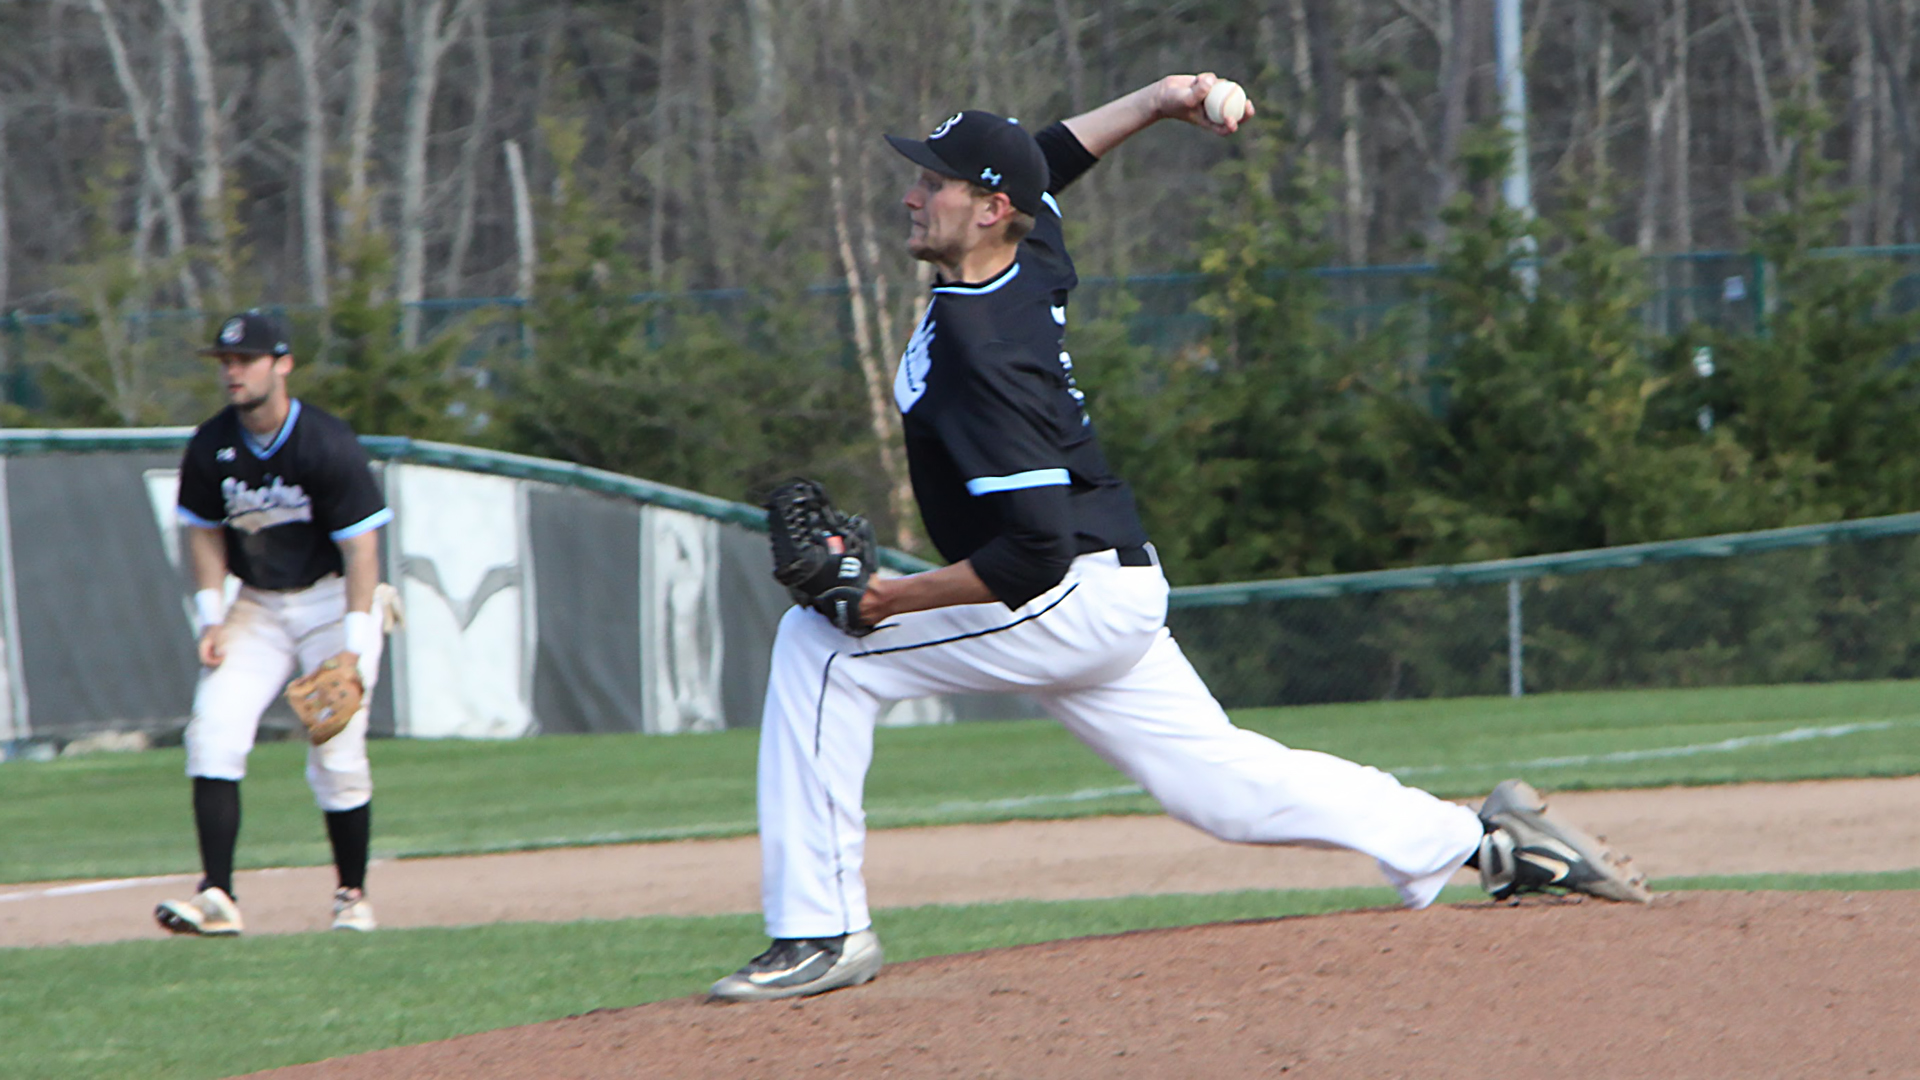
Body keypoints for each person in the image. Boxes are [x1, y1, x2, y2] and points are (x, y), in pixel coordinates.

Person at [708, 75, 1647, 1003]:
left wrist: (880, 600)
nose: (913, 193)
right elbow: (1048, 161)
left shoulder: (984, 353)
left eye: (935, 182)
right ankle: (1485, 842)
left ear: (990, 209)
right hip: (1108, 581)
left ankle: (822, 930)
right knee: (1222, 790)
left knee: (824, 651)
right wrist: (1159, 100)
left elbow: (1029, 555)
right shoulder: (1021, 256)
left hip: (1064, 589)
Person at [154, 309, 396, 936]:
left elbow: (363, 549)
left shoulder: (324, 441)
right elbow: (203, 533)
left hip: (330, 599)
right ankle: (217, 896)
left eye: (246, 360)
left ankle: (351, 894)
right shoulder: (211, 445)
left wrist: (356, 645)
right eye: (226, 362)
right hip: (256, 605)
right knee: (213, 730)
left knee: (336, 743)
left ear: (281, 363)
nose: (233, 372)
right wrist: (210, 617)